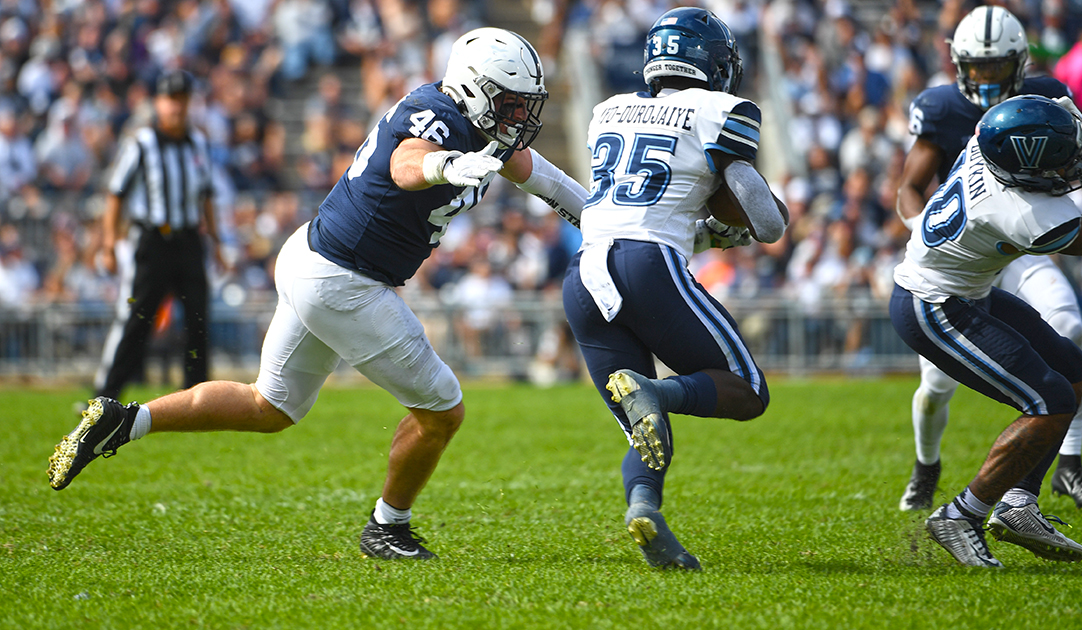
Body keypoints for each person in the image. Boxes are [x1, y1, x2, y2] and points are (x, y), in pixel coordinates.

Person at [48, 28, 589, 560]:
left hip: (315, 260)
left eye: (525, 104)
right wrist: (445, 165)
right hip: (344, 281)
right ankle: (387, 527)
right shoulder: (439, 118)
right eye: (511, 102)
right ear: (475, 88)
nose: (520, 116)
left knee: (270, 406)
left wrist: (604, 222)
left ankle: (125, 420)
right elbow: (406, 165)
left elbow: (539, 175)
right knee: (442, 411)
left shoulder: (477, 128)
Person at [562, 8, 787, 570]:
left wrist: (708, 232)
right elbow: (762, 216)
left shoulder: (608, 109)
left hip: (584, 271)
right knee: (748, 390)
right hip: (646, 264)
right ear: (712, 62)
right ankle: (655, 391)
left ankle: (647, 511)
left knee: (644, 430)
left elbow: (651, 198)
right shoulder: (723, 109)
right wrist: (760, 218)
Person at [896, 5, 1082, 512]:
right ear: (959, 64)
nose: (985, 76)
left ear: (1019, 62)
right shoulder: (940, 107)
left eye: (996, 65)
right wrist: (928, 231)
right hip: (967, 251)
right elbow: (910, 188)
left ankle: (1066, 464)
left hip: (1019, 246)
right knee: (936, 385)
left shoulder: (1047, 95)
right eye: (976, 66)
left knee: (1067, 324)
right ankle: (927, 464)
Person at [93, 69, 224, 401]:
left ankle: (197, 396)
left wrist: (217, 243)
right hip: (151, 242)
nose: (176, 107)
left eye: (182, 99)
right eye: (170, 99)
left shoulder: (198, 143)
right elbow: (115, 193)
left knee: (197, 318)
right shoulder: (142, 143)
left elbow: (207, 195)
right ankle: (106, 395)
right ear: (157, 103)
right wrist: (109, 243)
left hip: (189, 240)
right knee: (136, 318)